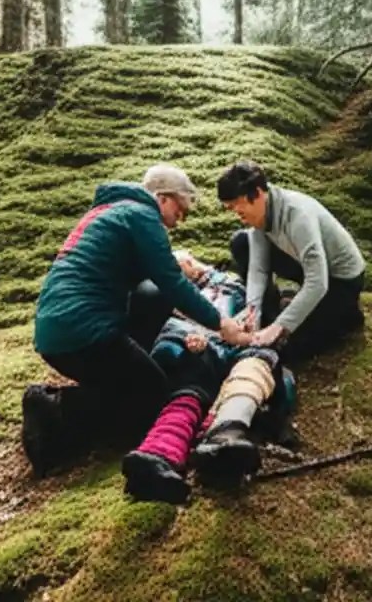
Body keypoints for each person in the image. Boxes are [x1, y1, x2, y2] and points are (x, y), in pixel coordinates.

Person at [24, 166, 247, 477]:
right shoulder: (143, 216)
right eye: (179, 211)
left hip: (59, 328)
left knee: (148, 308)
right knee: (152, 399)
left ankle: (110, 383)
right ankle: (55, 409)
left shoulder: (112, 212)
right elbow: (172, 284)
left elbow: (147, 283)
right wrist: (222, 325)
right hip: (84, 333)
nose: (178, 221)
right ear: (163, 198)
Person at [122, 252, 293, 503]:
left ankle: (226, 434)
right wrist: (193, 331)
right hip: (194, 342)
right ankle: (158, 456)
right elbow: (175, 312)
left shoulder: (241, 284)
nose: (178, 268)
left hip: (239, 345)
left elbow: (262, 320)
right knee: (190, 380)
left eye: (181, 263)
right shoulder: (178, 292)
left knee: (256, 362)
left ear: (191, 261)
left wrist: (249, 334)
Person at [217, 161, 366, 365]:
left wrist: (281, 326)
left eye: (238, 205)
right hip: (302, 264)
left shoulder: (297, 215)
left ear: (258, 193)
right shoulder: (260, 215)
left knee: (289, 348)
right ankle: (271, 315)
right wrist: (253, 311)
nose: (236, 212)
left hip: (339, 279)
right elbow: (258, 268)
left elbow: (318, 281)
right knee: (241, 242)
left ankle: (345, 313)